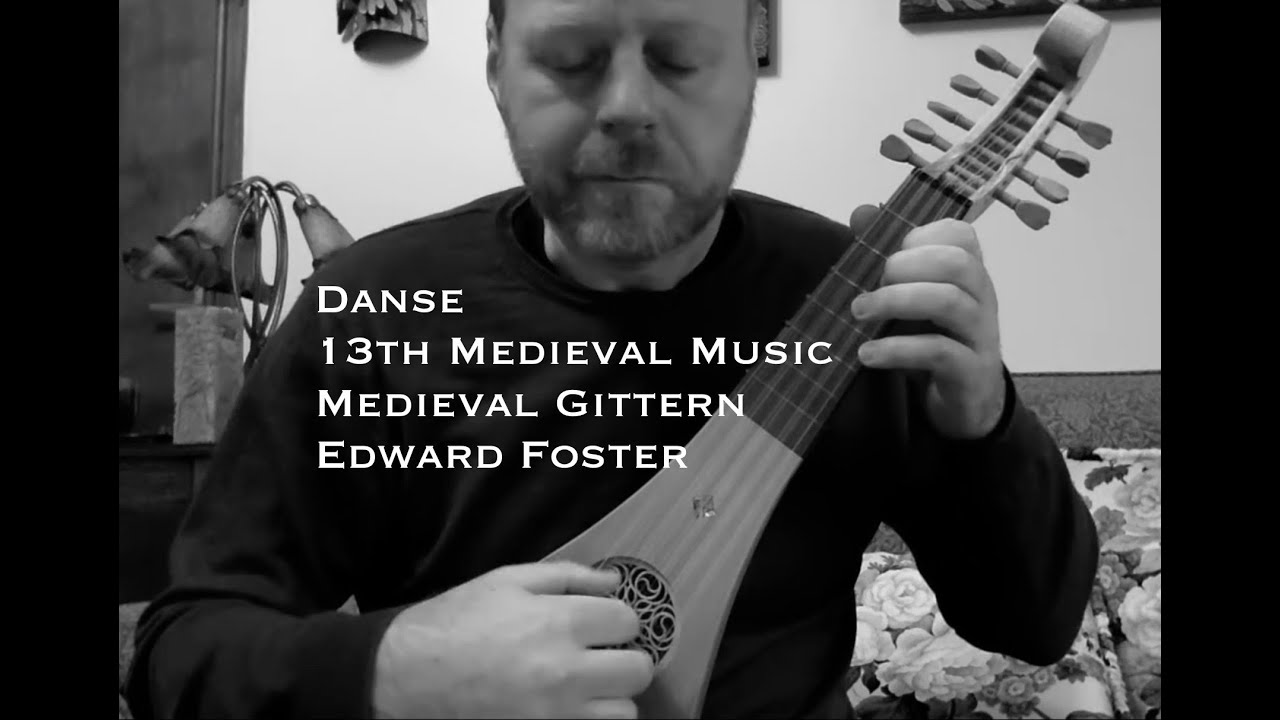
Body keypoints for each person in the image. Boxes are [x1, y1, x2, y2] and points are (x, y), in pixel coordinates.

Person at [124, 0, 1100, 717]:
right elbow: (178, 653)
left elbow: (1034, 624)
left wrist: (982, 420)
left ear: (746, 71)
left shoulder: (858, 303)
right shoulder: (369, 312)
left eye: (681, 58)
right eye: (570, 57)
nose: (628, 106)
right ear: (497, 66)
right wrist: (387, 670)